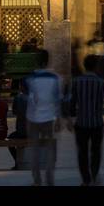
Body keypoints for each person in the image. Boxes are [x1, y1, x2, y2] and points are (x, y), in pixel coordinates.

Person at [66, 54, 104, 186]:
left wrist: (69, 119)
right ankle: (95, 175)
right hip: (97, 123)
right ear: (96, 67)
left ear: (84, 66)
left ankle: (86, 180)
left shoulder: (77, 82)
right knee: (96, 152)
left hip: (81, 123)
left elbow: (72, 103)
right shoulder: (101, 83)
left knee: (82, 152)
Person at [25, 50, 62, 186]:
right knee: (49, 149)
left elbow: (30, 99)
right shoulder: (55, 78)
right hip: (49, 117)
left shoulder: (31, 77)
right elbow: (57, 99)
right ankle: (49, 177)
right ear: (47, 61)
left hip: (33, 118)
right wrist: (58, 118)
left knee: (34, 150)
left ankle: (37, 180)